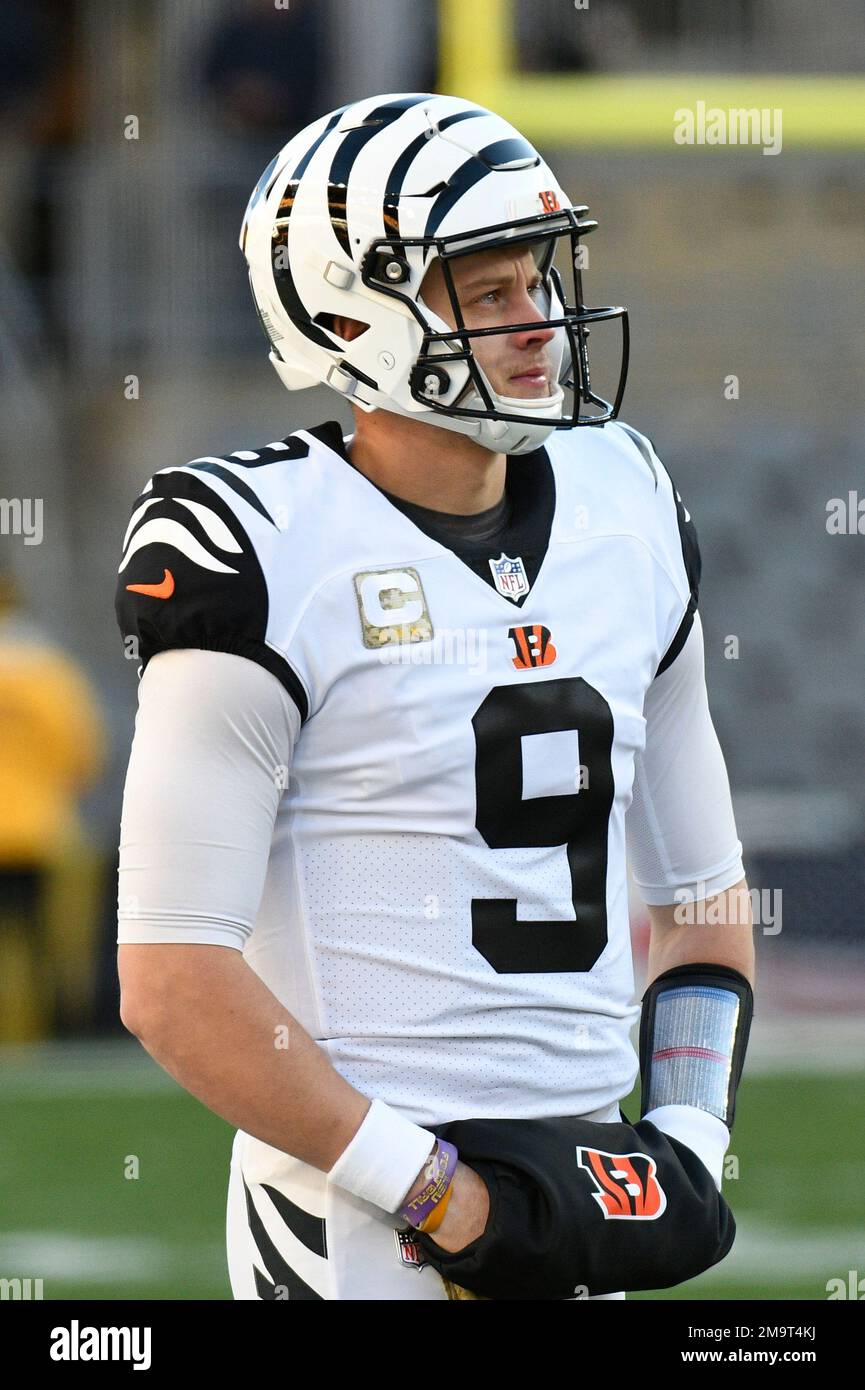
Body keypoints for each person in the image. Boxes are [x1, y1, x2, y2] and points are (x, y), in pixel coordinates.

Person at [115, 92, 755, 1301]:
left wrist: (682, 1142)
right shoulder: (252, 542)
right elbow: (170, 978)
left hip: (576, 1192)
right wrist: (438, 1197)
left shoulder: (623, 496)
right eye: (487, 290)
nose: (540, 323)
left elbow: (704, 899)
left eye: (540, 280)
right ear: (348, 310)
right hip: (357, 1212)